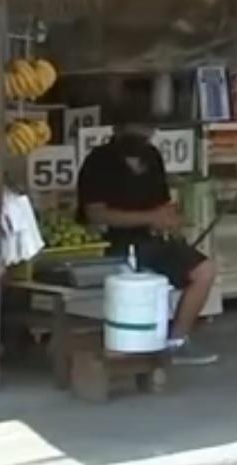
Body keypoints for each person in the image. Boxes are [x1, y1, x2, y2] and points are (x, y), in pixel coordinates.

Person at [76, 117, 218, 365]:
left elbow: (161, 203)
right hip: (111, 243)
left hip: (152, 240)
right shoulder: (98, 161)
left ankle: (177, 342)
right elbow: (96, 214)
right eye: (136, 129)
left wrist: (171, 222)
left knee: (204, 270)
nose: (143, 135)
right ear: (118, 129)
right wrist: (150, 217)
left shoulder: (152, 157)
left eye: (147, 130)